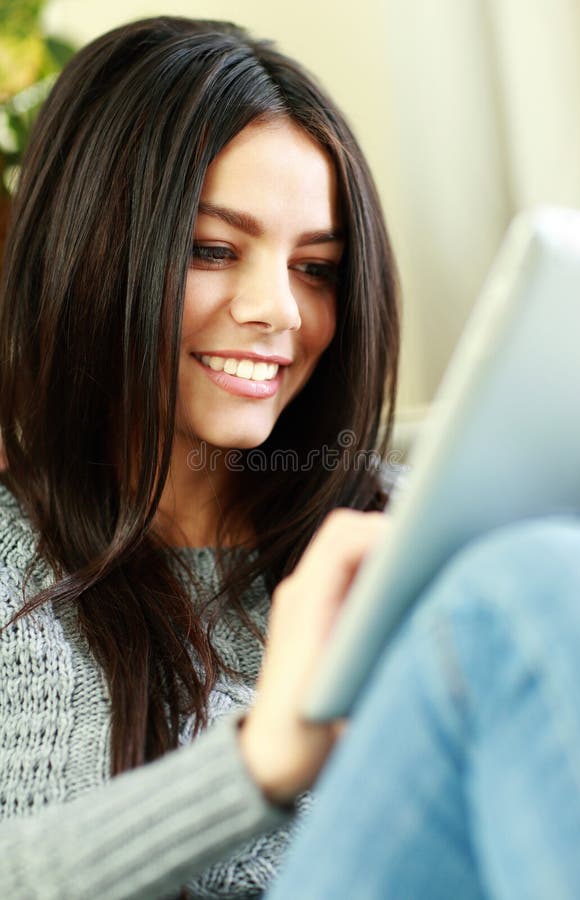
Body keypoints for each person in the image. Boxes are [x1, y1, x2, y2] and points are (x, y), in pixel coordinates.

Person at [0, 15, 400, 899]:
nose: (280, 312)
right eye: (213, 250)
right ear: (88, 250)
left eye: (318, 268)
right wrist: (256, 766)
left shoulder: (402, 528)